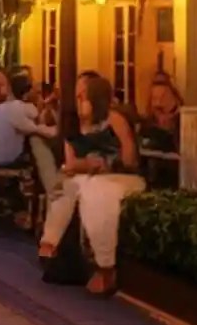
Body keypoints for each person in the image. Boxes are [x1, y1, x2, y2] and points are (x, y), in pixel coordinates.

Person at [37, 74, 145, 296]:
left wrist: (102, 164)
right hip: (87, 176)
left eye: (82, 96)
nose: (78, 101)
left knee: (96, 192)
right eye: (76, 96)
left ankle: (105, 266)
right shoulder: (72, 127)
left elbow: (130, 160)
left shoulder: (113, 119)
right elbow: (71, 164)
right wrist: (86, 165)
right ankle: (50, 242)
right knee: (68, 187)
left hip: (119, 178)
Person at [0, 73, 58, 168]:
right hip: (7, 161)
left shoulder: (5, 107)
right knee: (36, 141)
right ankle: (50, 179)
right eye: (36, 92)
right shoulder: (17, 108)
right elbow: (42, 130)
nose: (37, 94)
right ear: (26, 93)